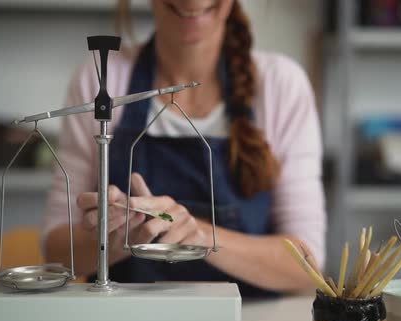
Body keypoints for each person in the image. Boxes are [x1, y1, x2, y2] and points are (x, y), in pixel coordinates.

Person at [43, 0, 326, 297]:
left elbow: (307, 263)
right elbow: (57, 250)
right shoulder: (100, 82)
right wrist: (116, 238)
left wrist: (200, 235)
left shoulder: (280, 85)